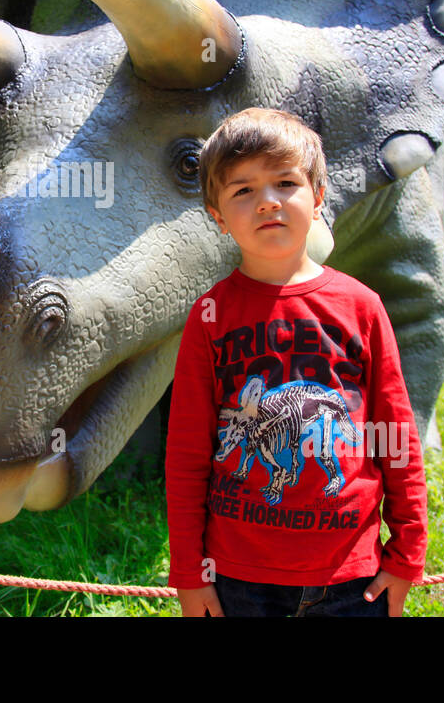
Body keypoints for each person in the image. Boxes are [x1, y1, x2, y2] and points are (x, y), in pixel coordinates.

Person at [166, 107, 427, 617]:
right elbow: (188, 453)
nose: (267, 202)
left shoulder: (363, 307)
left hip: (353, 576)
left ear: (318, 197)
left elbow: (396, 432)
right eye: (242, 190)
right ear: (217, 216)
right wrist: (188, 570)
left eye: (285, 182)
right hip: (236, 578)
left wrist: (407, 552)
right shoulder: (210, 316)